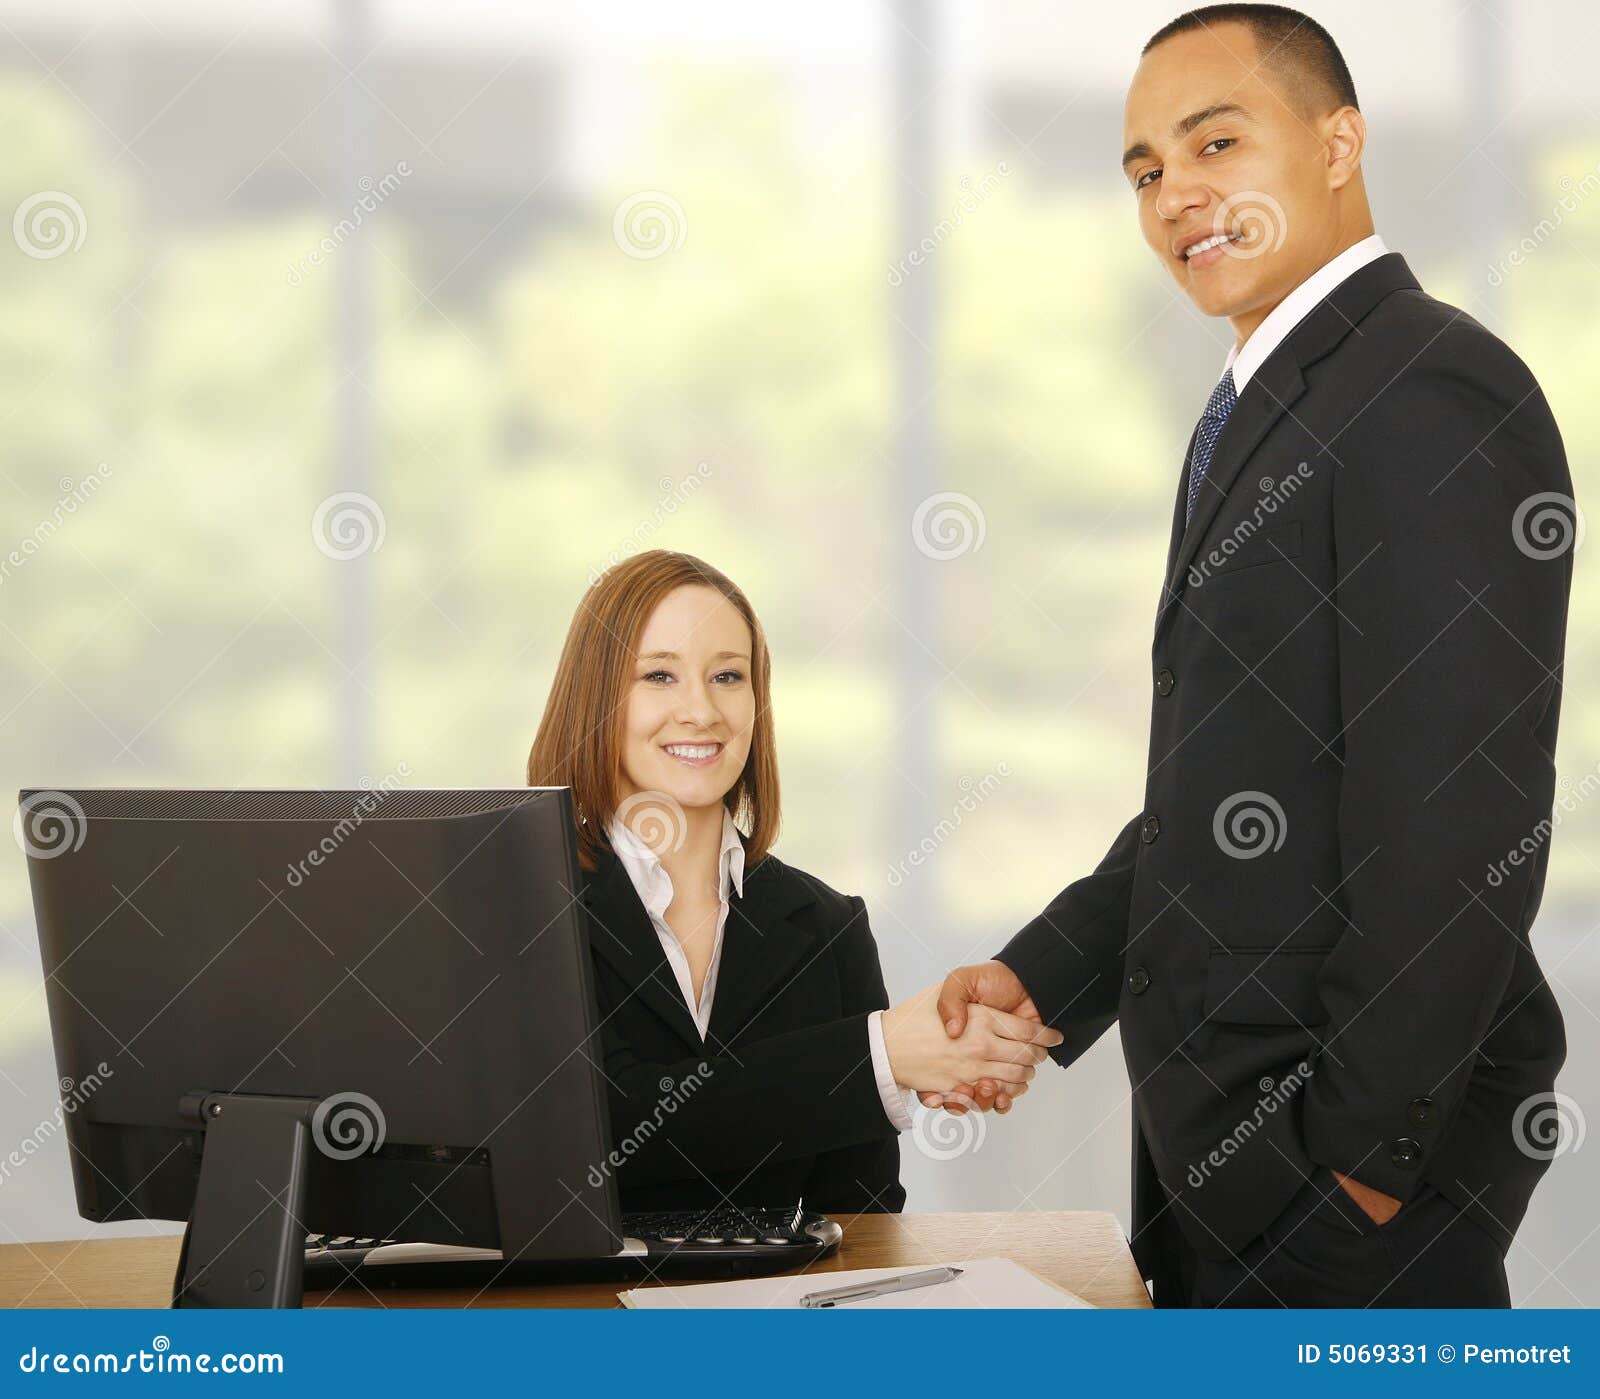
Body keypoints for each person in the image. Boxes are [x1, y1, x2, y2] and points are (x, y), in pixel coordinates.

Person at [925, 3, 1574, 1307]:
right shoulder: (1260, 412)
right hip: (1226, 1176)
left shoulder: (1428, 390)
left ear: (1340, 142)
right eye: (1147, 170)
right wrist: (1047, 970)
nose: (1177, 196)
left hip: (1338, 1204)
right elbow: (1236, 789)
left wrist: (1358, 1169)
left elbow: (1455, 821)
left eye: (1216, 142)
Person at [527, 549, 1061, 1213]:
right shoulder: (524, 904)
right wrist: (881, 1057)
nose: (700, 709)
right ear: (597, 698)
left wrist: (909, 1054)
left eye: (728, 675)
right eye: (659, 675)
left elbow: (859, 1220)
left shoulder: (828, 929)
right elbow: (589, 1137)